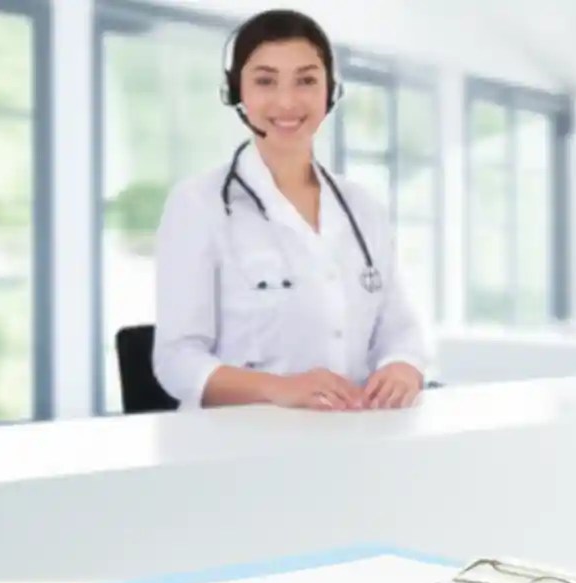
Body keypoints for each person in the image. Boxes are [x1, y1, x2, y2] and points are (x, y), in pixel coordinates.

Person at [152, 9, 427, 412]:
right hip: (237, 451)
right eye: (265, 81)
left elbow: (400, 334)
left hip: (352, 438)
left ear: (330, 91)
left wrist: (403, 368)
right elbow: (177, 362)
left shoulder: (363, 208)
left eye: (307, 80)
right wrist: (278, 388)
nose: (287, 101)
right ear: (236, 91)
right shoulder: (199, 204)